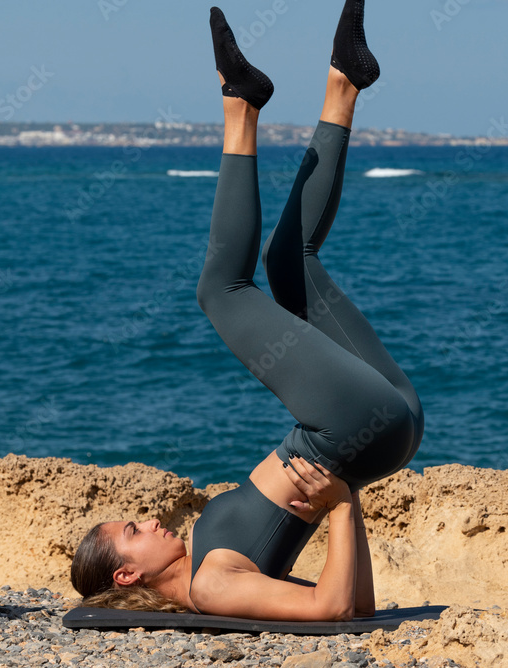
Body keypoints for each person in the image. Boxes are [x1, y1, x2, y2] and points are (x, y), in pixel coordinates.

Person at [70, 1, 424, 622]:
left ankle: (344, 81)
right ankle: (240, 104)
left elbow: (356, 605)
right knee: (220, 289)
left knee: (290, 260)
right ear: (127, 573)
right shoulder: (210, 587)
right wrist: (341, 503)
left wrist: (347, 496)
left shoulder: (205, 563)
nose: (149, 518)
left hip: (381, 423)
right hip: (348, 427)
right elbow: (337, 610)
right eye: (132, 529)